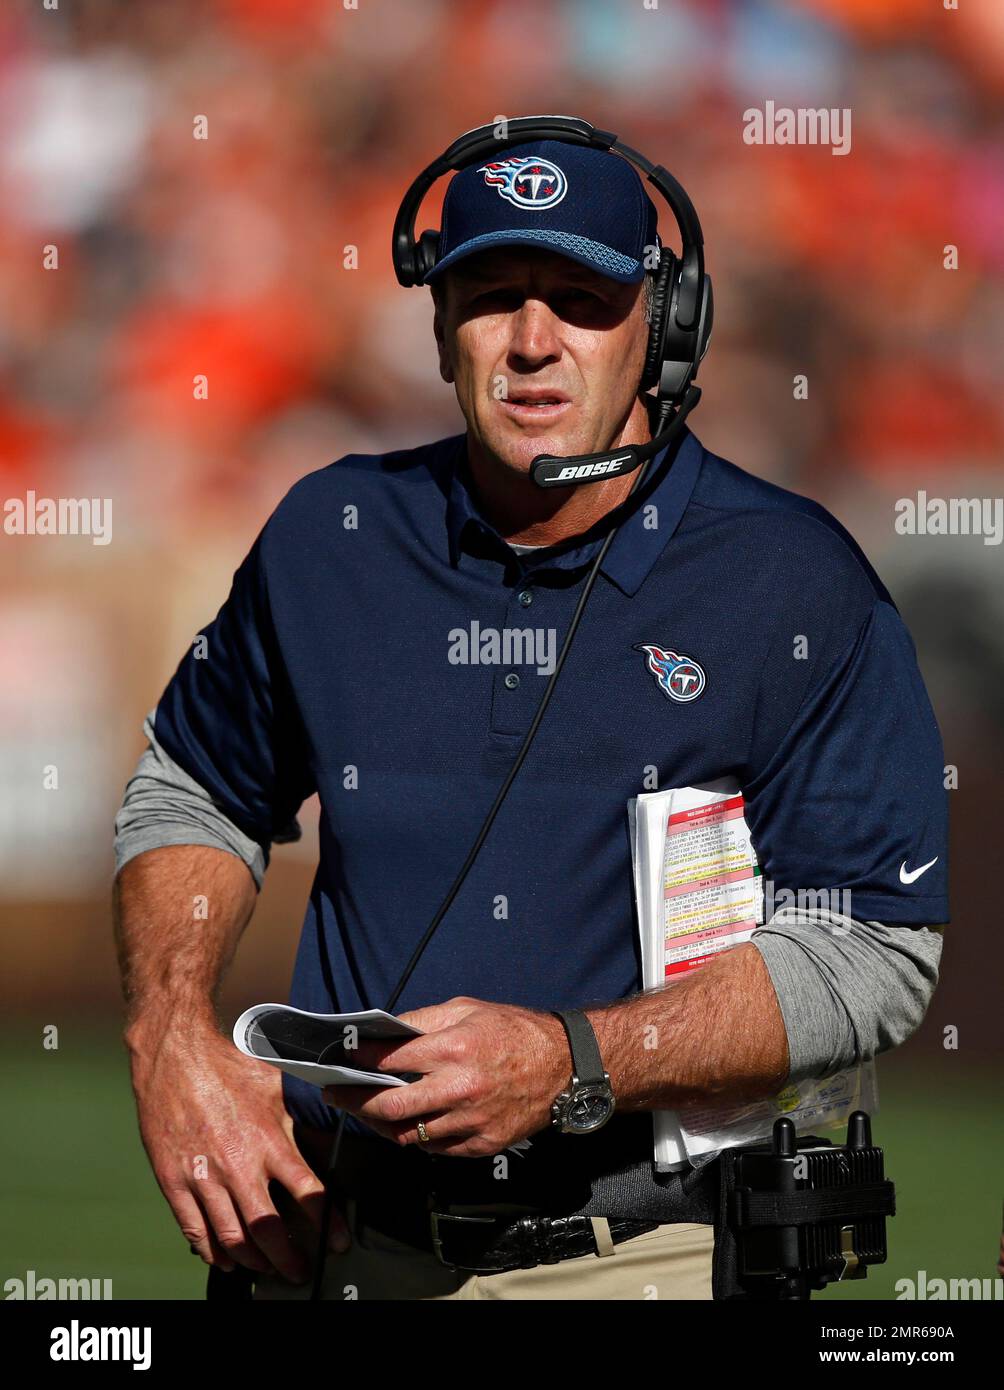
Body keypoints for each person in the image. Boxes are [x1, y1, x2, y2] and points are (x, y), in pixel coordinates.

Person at [113, 127, 949, 1301]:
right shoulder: (329, 533)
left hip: (647, 1256)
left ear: (661, 326)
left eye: (580, 297)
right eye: (491, 296)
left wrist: (575, 1061)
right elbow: (192, 785)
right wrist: (171, 1038)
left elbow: (872, 945)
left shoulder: (790, 579)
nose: (532, 340)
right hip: (336, 1244)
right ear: (440, 322)